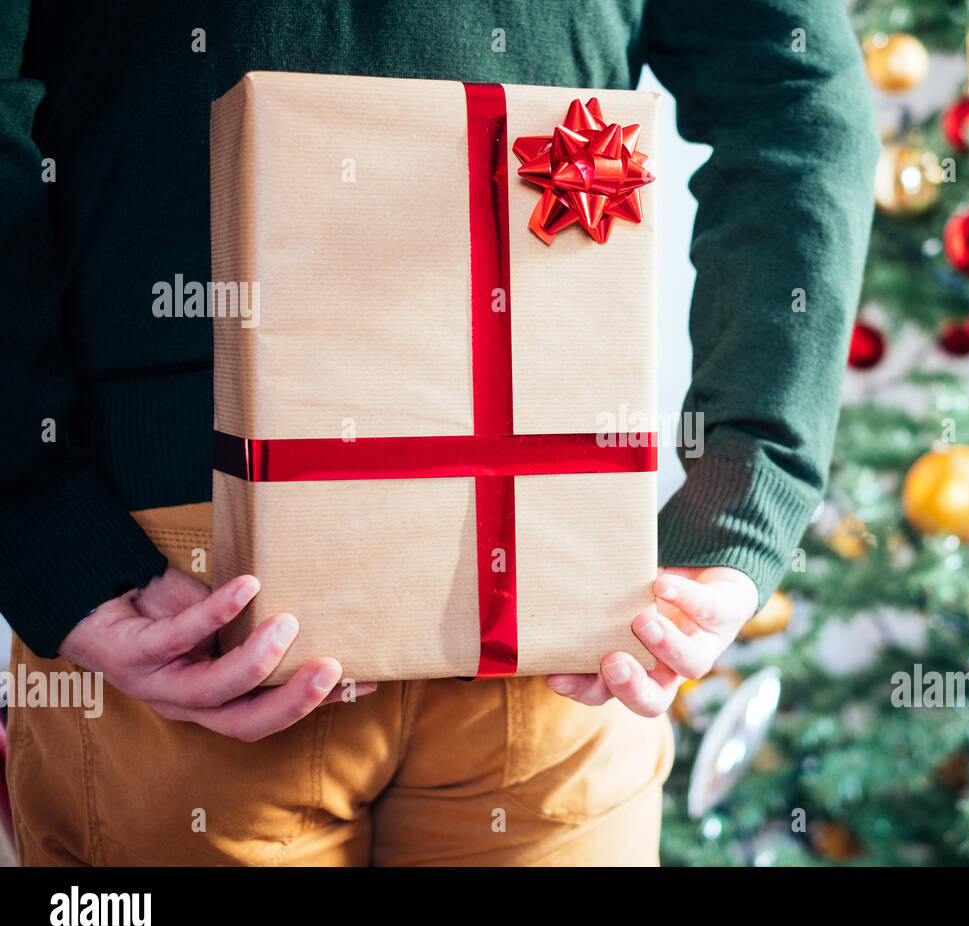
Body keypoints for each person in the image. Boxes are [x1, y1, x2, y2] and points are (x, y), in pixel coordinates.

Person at [0, 0, 879, 865]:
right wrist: (748, 491)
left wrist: (42, 522)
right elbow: (797, 89)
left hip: (205, 574)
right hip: (530, 565)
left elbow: (796, 95)